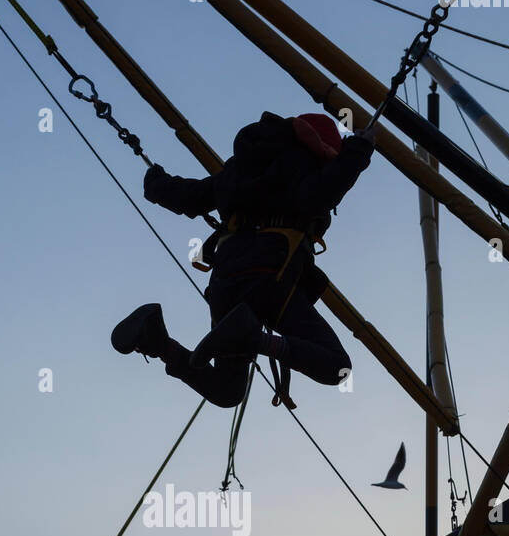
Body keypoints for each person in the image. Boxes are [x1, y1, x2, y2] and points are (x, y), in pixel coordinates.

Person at [111, 110, 375, 409]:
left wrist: (156, 184)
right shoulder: (301, 166)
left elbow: (191, 196)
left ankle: (156, 341)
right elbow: (324, 191)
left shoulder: (236, 172)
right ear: (321, 148)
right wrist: (359, 151)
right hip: (269, 281)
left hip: (225, 285)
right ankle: (256, 339)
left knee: (227, 391)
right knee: (336, 366)